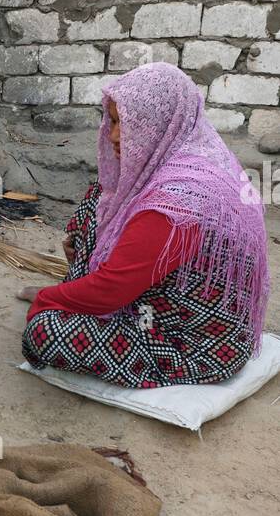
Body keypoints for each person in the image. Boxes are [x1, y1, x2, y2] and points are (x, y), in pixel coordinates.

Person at [21, 62, 269, 388]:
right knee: (102, 198)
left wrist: (46, 300)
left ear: (156, 124)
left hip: (190, 343)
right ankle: (74, 293)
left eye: (124, 124)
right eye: (112, 121)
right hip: (174, 301)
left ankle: (71, 298)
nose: (112, 135)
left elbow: (111, 290)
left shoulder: (178, 204)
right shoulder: (197, 154)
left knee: (44, 332)